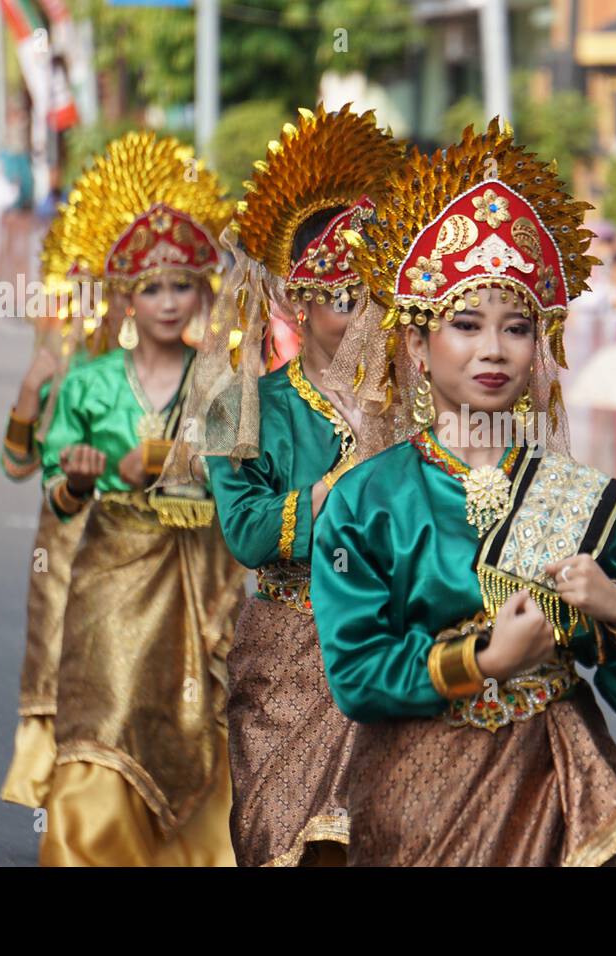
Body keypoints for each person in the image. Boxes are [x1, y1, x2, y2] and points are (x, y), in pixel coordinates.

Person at [312, 121, 616, 866]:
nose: (493, 348)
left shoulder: (577, 498)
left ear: (539, 347)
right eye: (466, 325)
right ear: (417, 347)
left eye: (517, 327)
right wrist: (483, 660)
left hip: (553, 796)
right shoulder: (368, 499)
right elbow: (356, 676)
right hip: (418, 807)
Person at [166, 104, 403, 866]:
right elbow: (242, 531)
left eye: (373, 293)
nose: (360, 313)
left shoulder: (417, 407)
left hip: (391, 649)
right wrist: (330, 495)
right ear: (296, 302)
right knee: (281, 841)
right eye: (340, 296)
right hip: (286, 655)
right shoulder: (246, 406)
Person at [37, 131, 247, 866]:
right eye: (151, 286)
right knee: (109, 704)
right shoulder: (91, 382)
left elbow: (241, 474)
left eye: (182, 284)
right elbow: (55, 490)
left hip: (203, 570)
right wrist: (85, 475)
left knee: (199, 713)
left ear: (204, 291)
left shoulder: (223, 382)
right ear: (125, 294)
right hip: (113, 572)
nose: (167, 300)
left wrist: (171, 461)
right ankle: (89, 850)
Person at [0, 221, 93, 814]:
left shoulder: (150, 363)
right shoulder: (56, 357)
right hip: (61, 537)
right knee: (58, 659)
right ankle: (62, 797)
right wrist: (32, 391)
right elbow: (16, 464)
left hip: (136, 533)